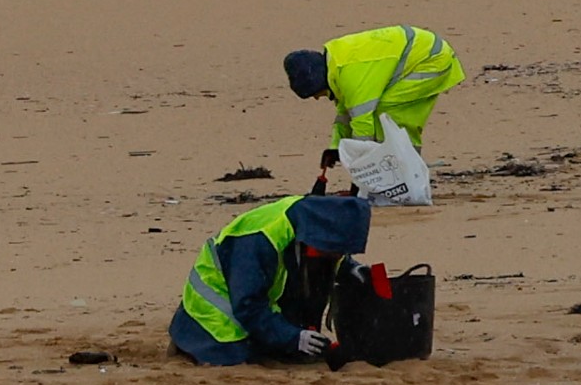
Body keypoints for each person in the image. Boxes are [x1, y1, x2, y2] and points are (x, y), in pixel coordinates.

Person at [171, 192, 372, 365]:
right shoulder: (258, 239)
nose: (338, 256)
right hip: (214, 322)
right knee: (244, 358)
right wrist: (293, 337)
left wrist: (350, 268)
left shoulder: (312, 221)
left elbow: (328, 249)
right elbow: (248, 304)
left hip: (253, 305)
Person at [286, 25, 466, 205]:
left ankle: (404, 179)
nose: (317, 98)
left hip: (431, 60)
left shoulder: (351, 76)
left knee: (386, 115)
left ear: (318, 81)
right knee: (386, 118)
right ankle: (402, 176)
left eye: (315, 93)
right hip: (420, 53)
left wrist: (359, 182)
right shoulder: (336, 66)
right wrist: (335, 147)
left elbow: (363, 127)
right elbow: (345, 113)